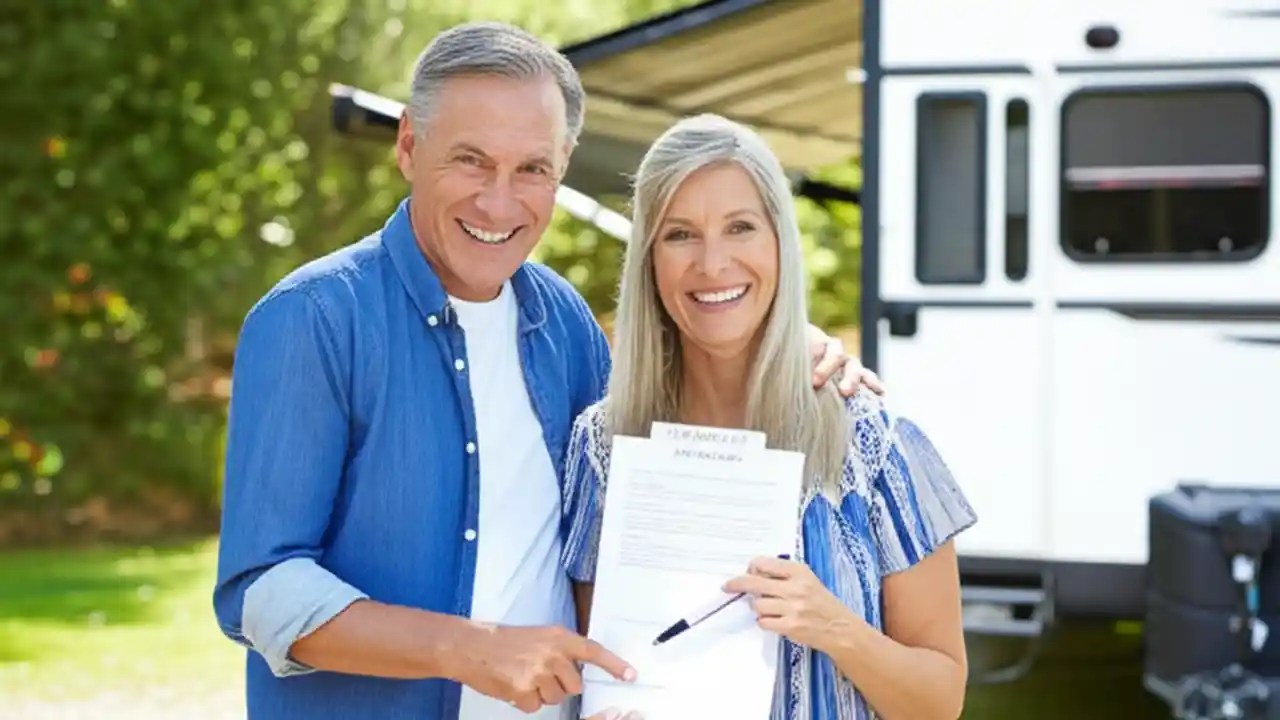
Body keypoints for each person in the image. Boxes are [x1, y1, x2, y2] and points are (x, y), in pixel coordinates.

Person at [212, 21, 881, 720]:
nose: (499, 202)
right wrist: (462, 647)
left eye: (532, 169)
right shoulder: (313, 319)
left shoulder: (564, 322)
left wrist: (776, 335)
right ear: (409, 145)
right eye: (471, 161)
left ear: (562, 164)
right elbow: (262, 590)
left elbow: (654, 438)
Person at [560, 113, 978, 720]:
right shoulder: (604, 446)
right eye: (680, 234)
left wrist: (834, 625)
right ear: (649, 258)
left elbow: (941, 701)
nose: (713, 263)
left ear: (780, 241)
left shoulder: (873, 445)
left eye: (740, 228)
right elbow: (595, 668)